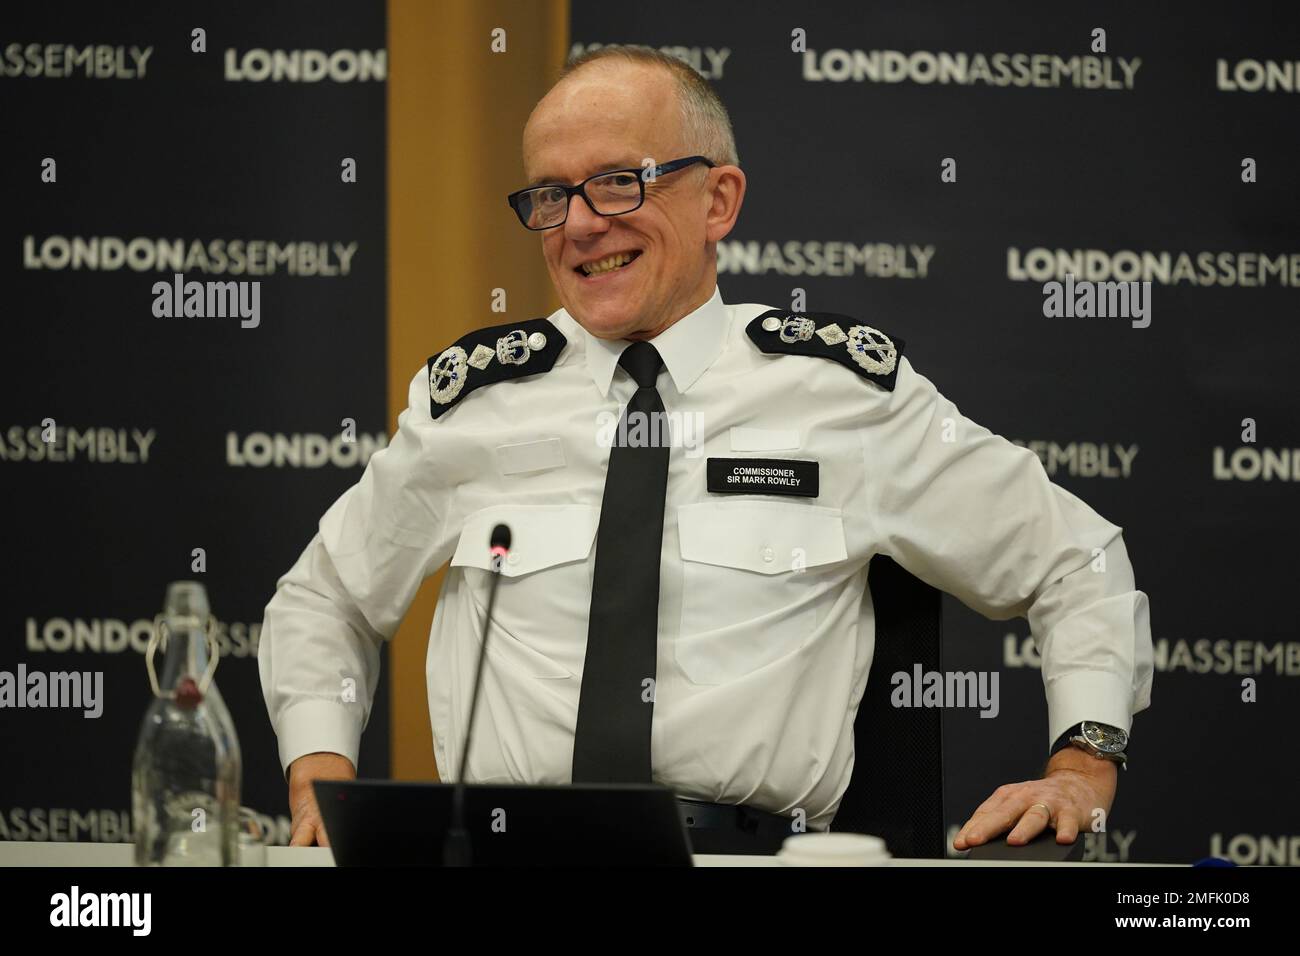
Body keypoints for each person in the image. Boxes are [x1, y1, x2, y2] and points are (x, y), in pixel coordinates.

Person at [259, 44, 1153, 855]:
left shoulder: (842, 395)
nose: (578, 225)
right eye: (550, 195)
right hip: (511, 864)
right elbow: (322, 600)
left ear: (718, 200)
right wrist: (318, 768)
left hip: (746, 867)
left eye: (617, 182)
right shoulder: (477, 401)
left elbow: (1075, 561)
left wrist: (1084, 763)